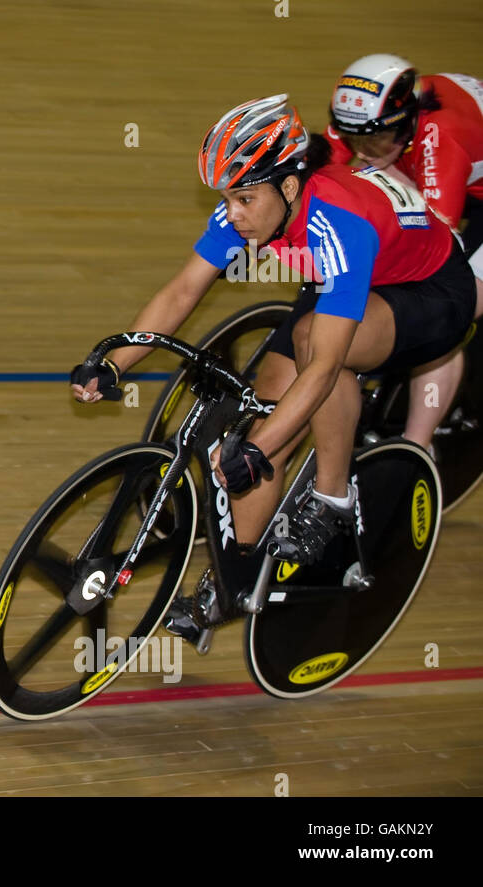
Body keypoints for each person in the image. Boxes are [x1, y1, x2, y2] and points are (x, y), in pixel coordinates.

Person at [70, 95, 474, 639]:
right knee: (261, 420)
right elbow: (185, 288)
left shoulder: (337, 222)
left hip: (430, 293)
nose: (232, 213)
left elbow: (327, 365)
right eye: (227, 199)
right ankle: (232, 578)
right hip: (351, 276)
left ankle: (332, 498)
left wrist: (258, 454)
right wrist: (116, 363)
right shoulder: (256, 206)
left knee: (311, 350)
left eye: (243, 198)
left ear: (287, 187)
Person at [326, 54, 483, 449]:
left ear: (409, 123)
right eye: (354, 139)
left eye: (378, 139)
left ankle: (416, 449)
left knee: (447, 304)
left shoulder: (439, 139)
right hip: (457, 167)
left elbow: (437, 247)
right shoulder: (360, 117)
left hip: (454, 165)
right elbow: (323, 177)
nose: (365, 150)